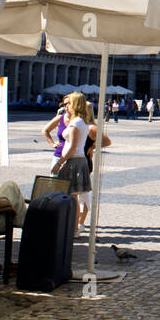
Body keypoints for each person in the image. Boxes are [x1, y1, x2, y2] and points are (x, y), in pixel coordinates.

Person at [51, 92, 94, 229]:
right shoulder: (81, 121)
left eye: (68, 103)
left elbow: (72, 147)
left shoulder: (76, 123)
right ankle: (73, 226)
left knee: (71, 196)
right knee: (72, 195)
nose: (66, 106)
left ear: (75, 105)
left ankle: (73, 227)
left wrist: (59, 163)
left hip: (74, 161)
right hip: (77, 160)